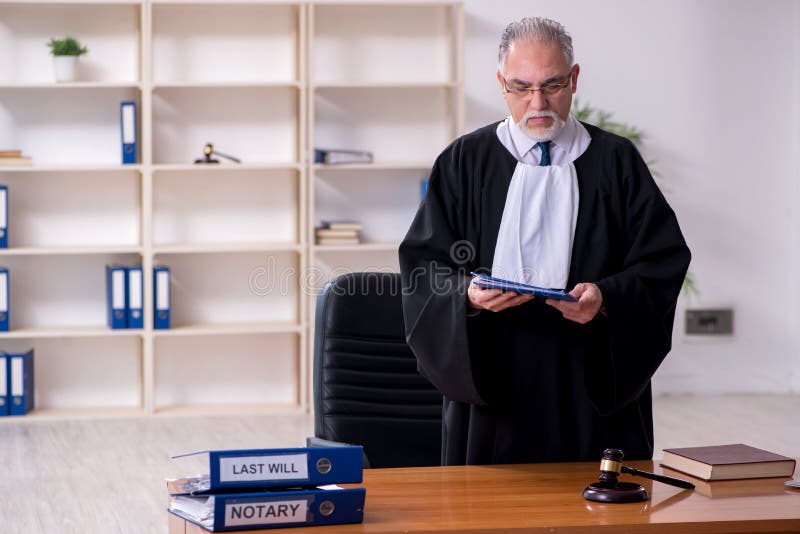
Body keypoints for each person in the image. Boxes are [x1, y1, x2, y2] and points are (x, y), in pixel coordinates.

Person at [399, 16, 691, 465]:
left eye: (552, 85)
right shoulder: (463, 161)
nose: (538, 103)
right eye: (521, 87)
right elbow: (423, 266)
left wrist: (606, 297)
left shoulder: (617, 162)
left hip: (590, 380)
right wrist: (467, 297)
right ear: (501, 84)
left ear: (574, 79)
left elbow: (662, 260)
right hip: (492, 384)